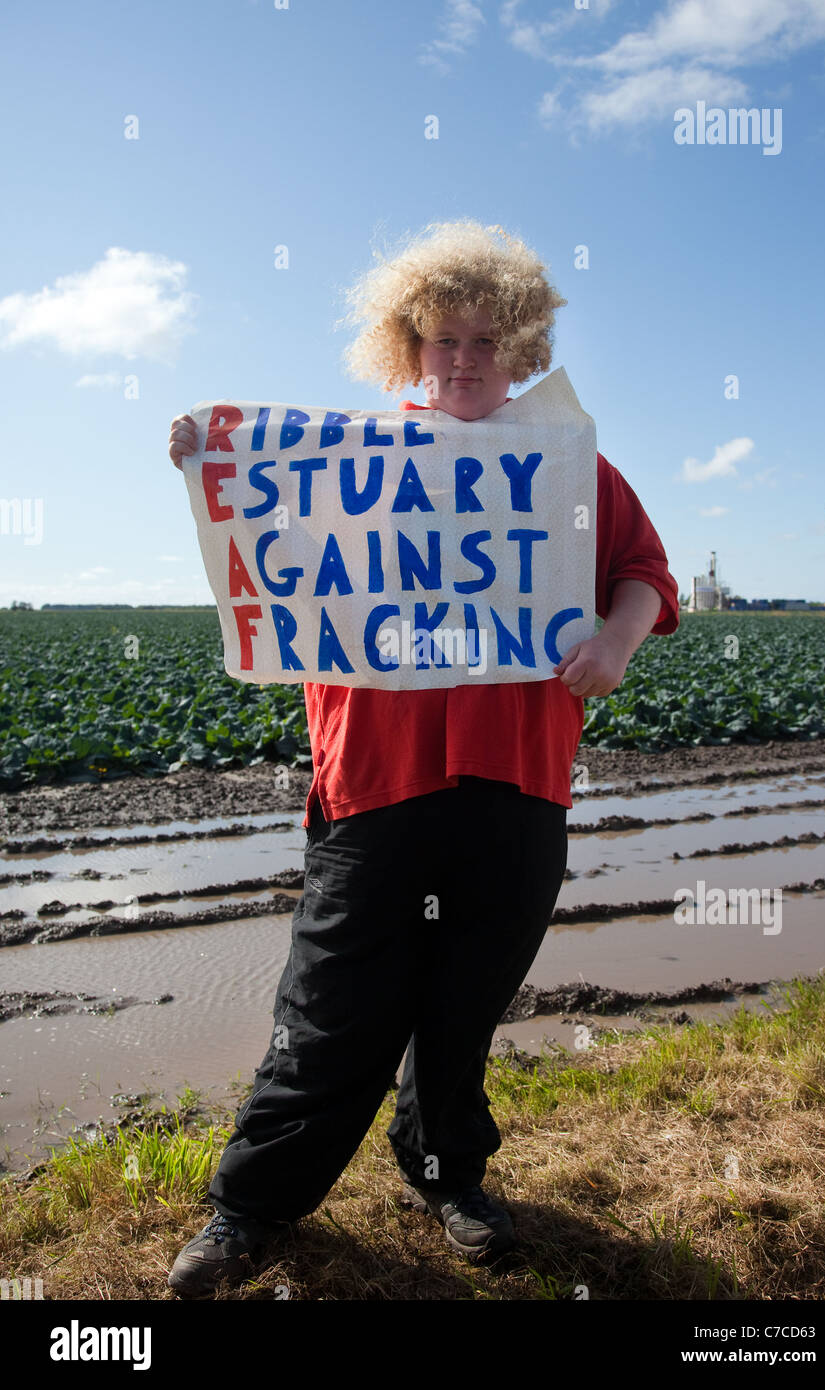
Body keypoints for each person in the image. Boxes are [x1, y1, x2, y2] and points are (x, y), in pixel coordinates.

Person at [166, 220, 679, 1297]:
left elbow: (638, 569)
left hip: (515, 784)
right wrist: (215, 463)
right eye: (441, 338)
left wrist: (617, 639)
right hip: (374, 783)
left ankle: (447, 1175)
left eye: (486, 341)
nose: (461, 360)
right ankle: (246, 1211)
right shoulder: (338, 464)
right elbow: (267, 553)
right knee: (331, 1009)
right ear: (406, 345)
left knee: (461, 1010)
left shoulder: (567, 467)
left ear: (524, 348)